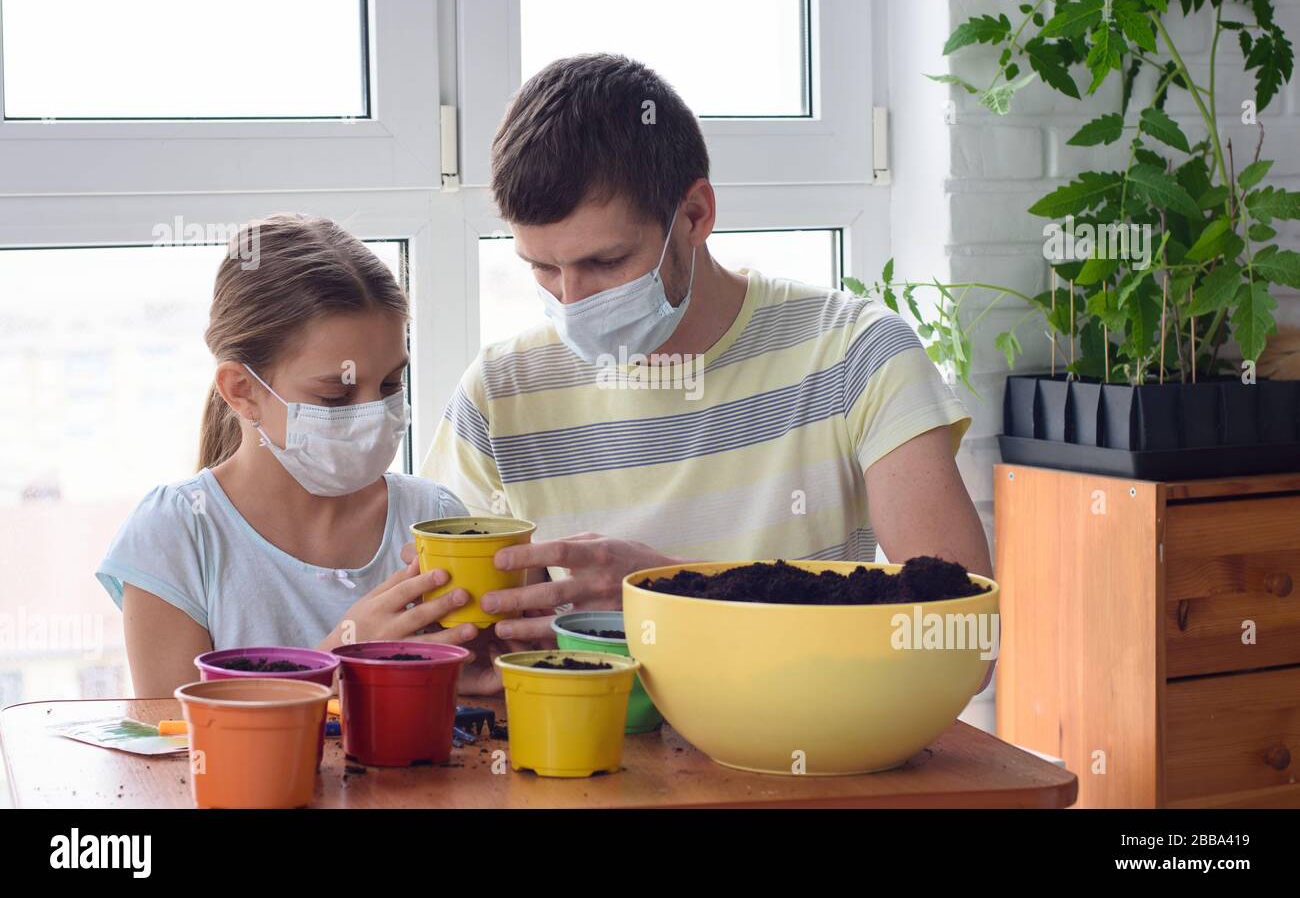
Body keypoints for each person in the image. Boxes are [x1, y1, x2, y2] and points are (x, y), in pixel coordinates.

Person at [421, 54, 994, 667]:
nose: (570, 299)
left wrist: (674, 594)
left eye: (605, 263)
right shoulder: (497, 395)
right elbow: (449, 635)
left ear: (695, 215)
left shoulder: (857, 355)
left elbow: (963, 644)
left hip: (800, 751)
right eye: (541, 267)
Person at [97, 214, 512, 696]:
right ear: (242, 389)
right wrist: (340, 661)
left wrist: (489, 679)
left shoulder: (434, 519)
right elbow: (177, 744)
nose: (374, 414)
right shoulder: (177, 533)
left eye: (391, 384)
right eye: (336, 394)